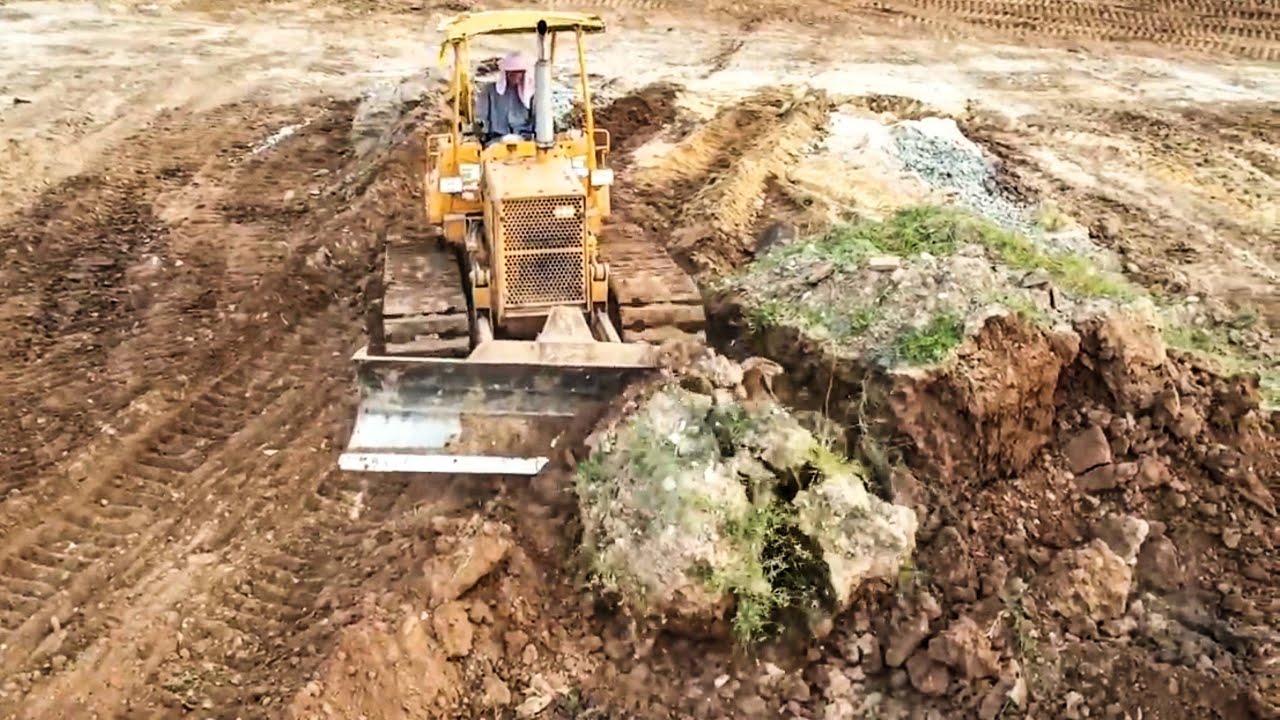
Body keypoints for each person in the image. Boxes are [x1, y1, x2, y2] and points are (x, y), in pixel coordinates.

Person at [474, 51, 535, 144]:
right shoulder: (489, 91)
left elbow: (537, 119)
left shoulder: (531, 92)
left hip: (525, 139)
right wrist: (481, 135)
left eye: (519, 73)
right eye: (512, 73)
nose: (516, 76)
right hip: (496, 139)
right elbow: (481, 118)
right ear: (506, 73)